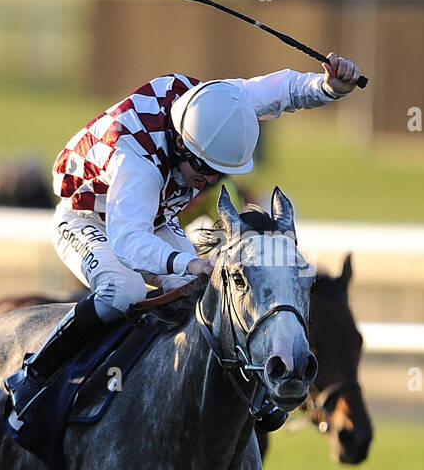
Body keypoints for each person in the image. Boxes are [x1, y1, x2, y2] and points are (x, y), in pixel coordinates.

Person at [18, 53, 364, 401]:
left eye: (219, 172)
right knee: (123, 291)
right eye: (203, 167)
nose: (209, 180)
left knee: (207, 297)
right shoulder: (137, 162)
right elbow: (127, 242)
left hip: (154, 217)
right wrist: (189, 262)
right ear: (182, 142)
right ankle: (36, 373)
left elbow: (280, 91)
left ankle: (243, 392)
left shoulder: (214, 106)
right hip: (88, 218)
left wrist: (329, 87)